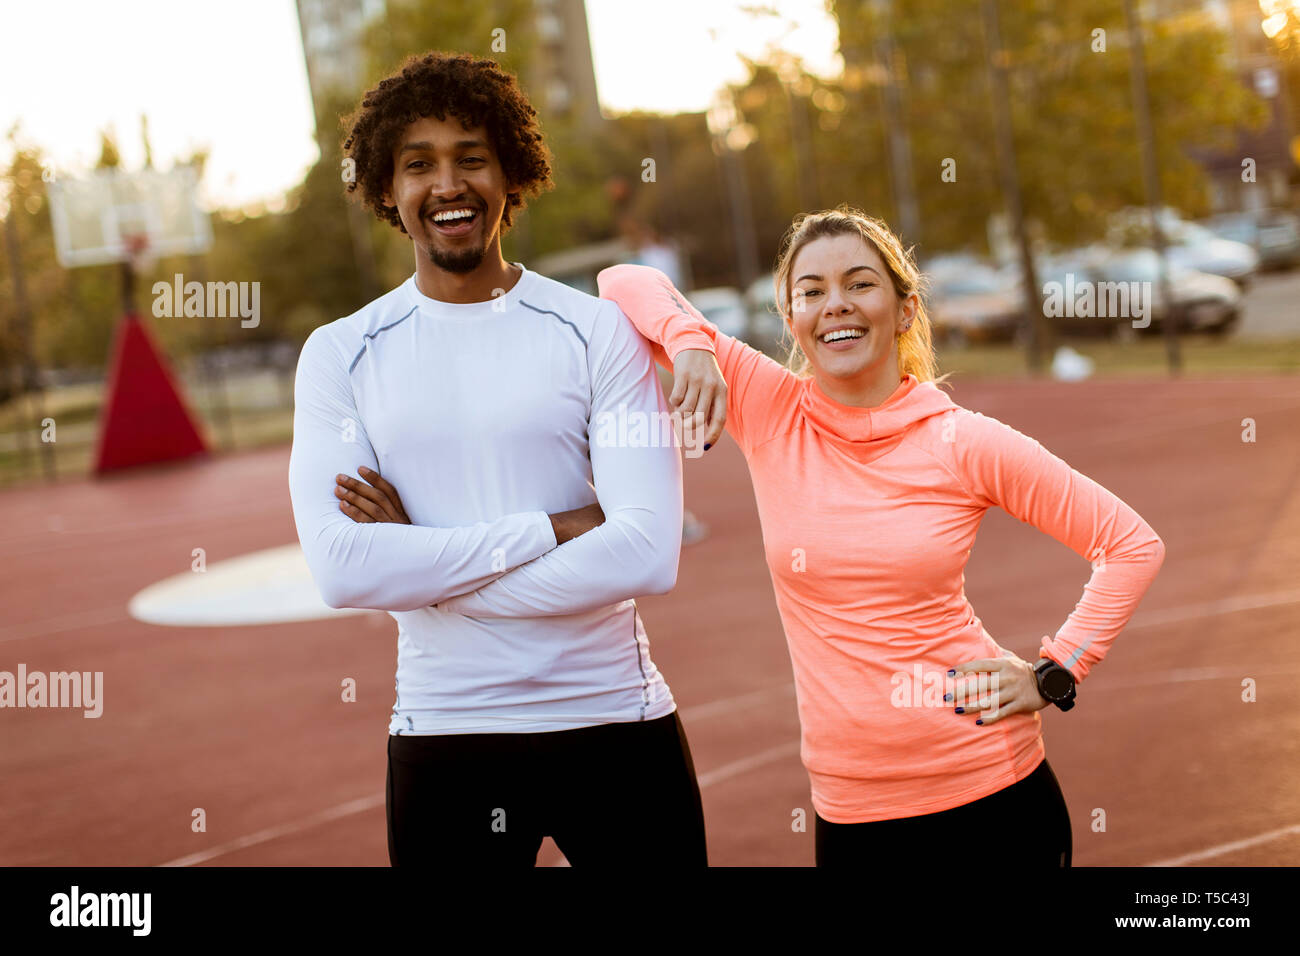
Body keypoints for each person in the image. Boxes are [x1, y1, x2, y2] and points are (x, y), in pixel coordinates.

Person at [595, 205, 1167, 867]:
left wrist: (1057, 671)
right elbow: (622, 279)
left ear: (904, 310)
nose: (835, 305)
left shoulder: (963, 441)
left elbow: (1130, 544)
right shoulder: (773, 409)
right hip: (853, 811)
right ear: (792, 322)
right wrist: (691, 341)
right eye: (811, 292)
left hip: (993, 795)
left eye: (860, 284)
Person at [286, 51, 707, 867]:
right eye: (419, 166)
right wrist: (560, 527)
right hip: (447, 735)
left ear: (510, 174)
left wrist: (428, 569)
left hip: (615, 724)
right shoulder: (339, 354)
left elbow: (649, 553)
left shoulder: (596, 333)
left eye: (471, 159)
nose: (448, 185)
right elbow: (343, 570)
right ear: (385, 188)